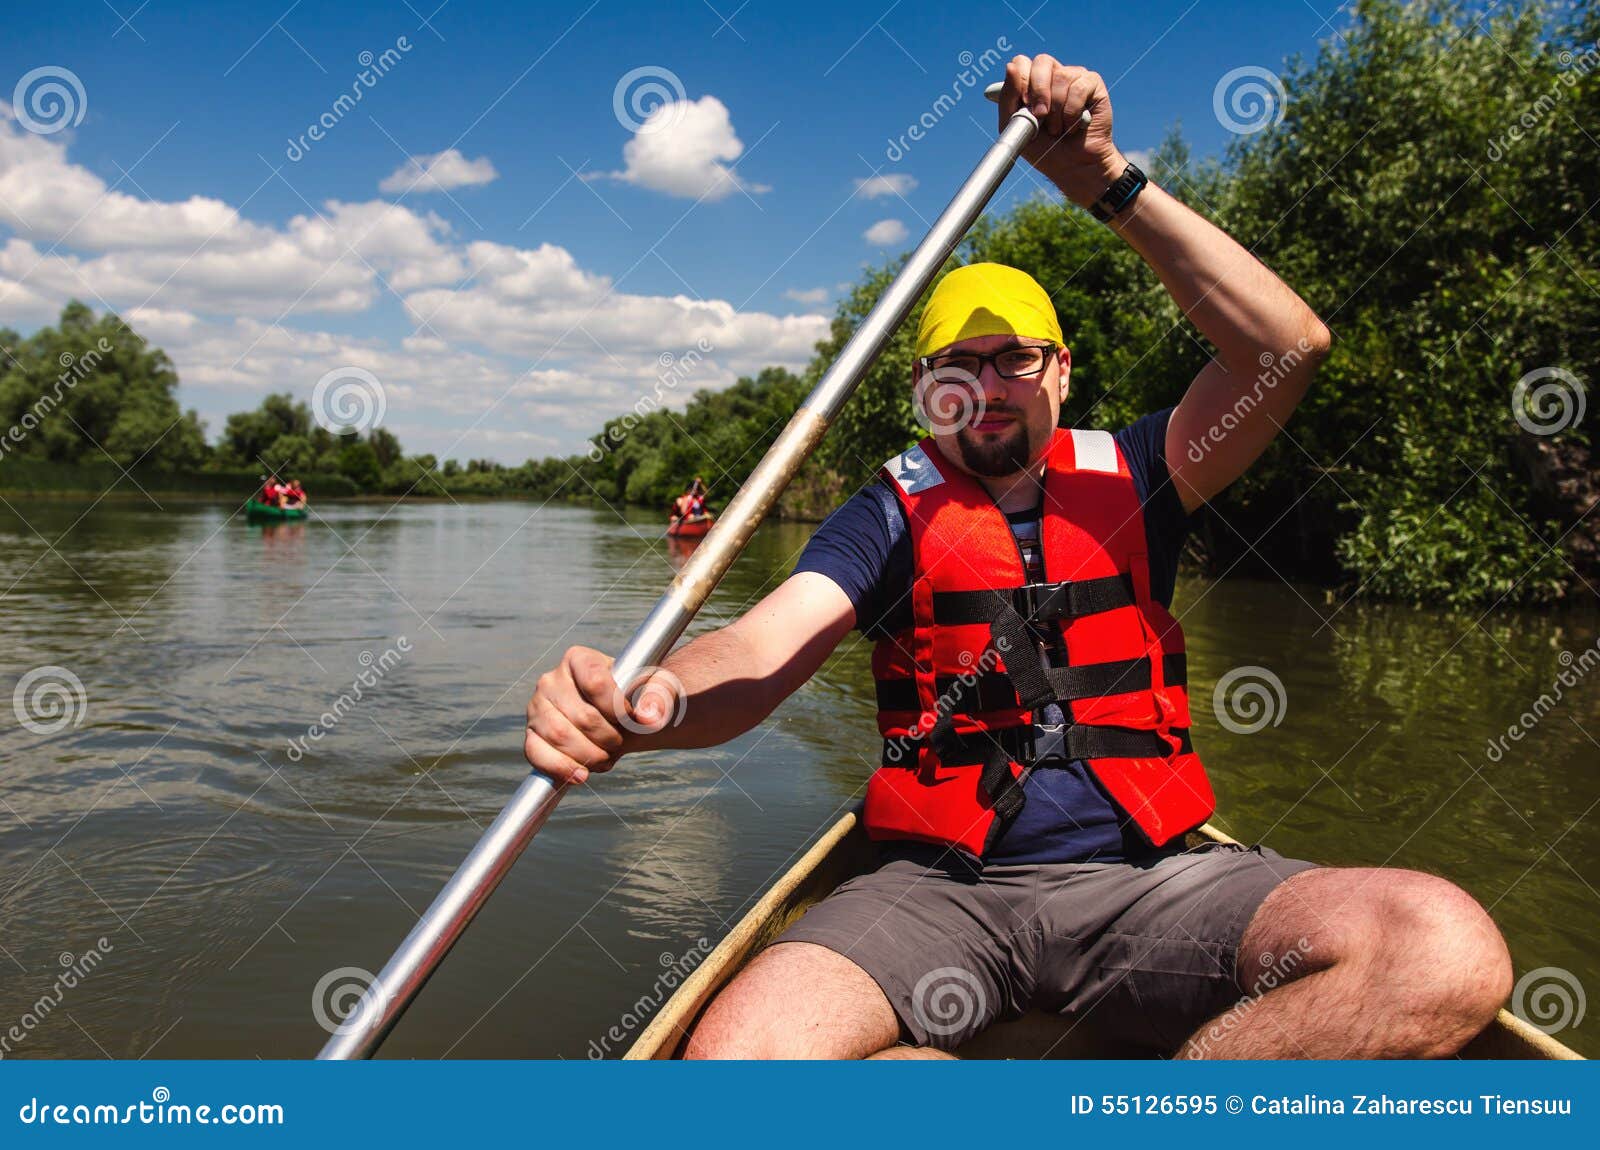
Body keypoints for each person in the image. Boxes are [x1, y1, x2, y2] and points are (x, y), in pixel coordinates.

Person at [523, 55, 1511, 1059]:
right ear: (922, 387)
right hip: (936, 891)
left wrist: (1102, 180)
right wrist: (647, 702)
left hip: (1151, 879)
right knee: (741, 1062)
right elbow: (761, 644)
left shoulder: (1149, 468)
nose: (987, 386)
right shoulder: (887, 515)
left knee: (1439, 950)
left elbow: (1283, 350)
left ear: (1061, 369)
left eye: (1015, 359)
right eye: (958, 363)